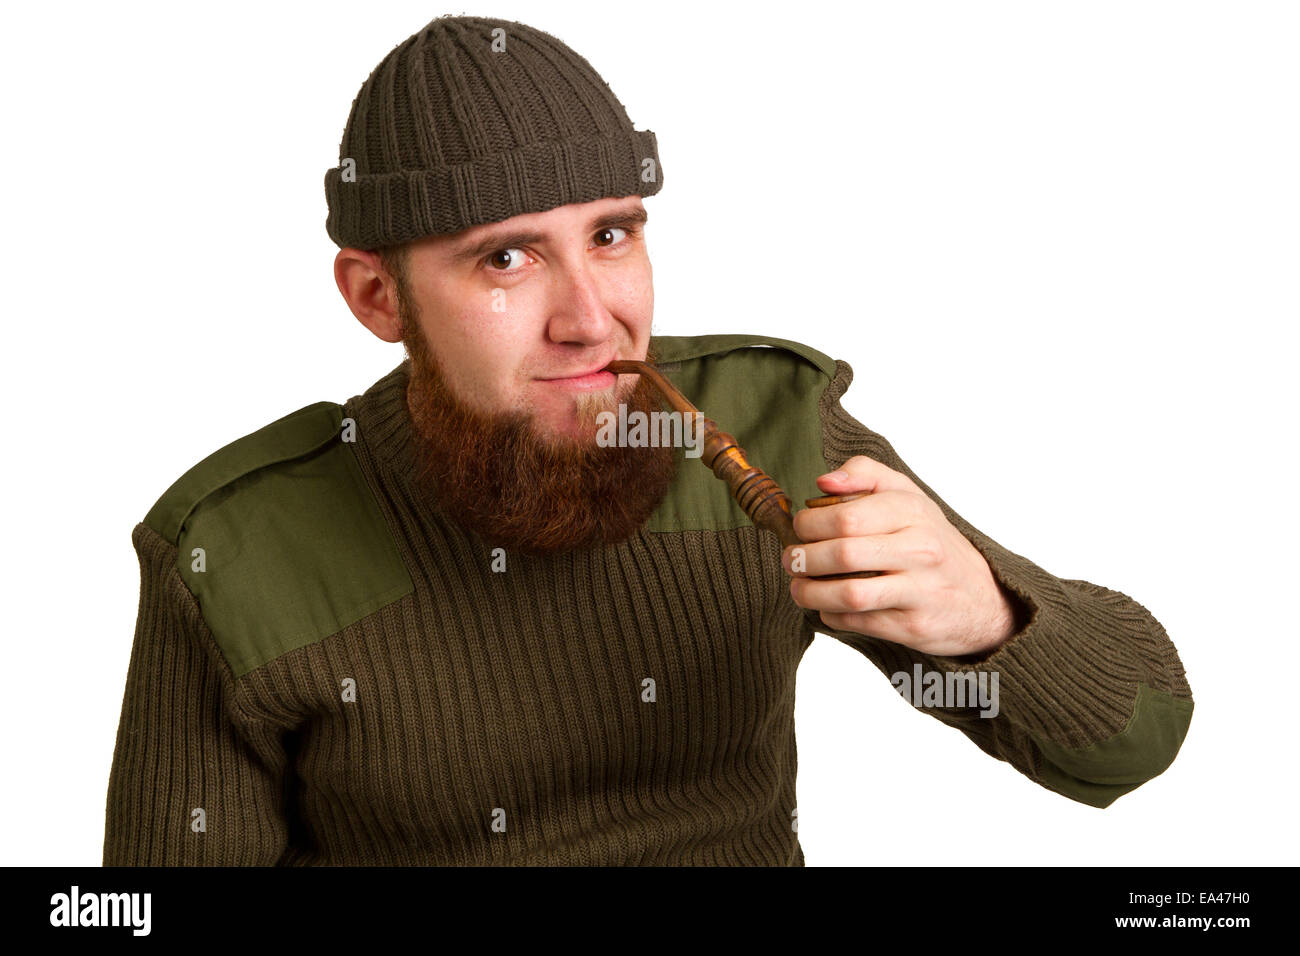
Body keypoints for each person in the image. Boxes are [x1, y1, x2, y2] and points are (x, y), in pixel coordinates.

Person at [103, 14, 1194, 867]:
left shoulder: (765, 421)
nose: (591, 317)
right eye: (506, 259)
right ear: (378, 295)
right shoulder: (235, 546)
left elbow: (1135, 737)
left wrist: (990, 623)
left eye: (612, 235)